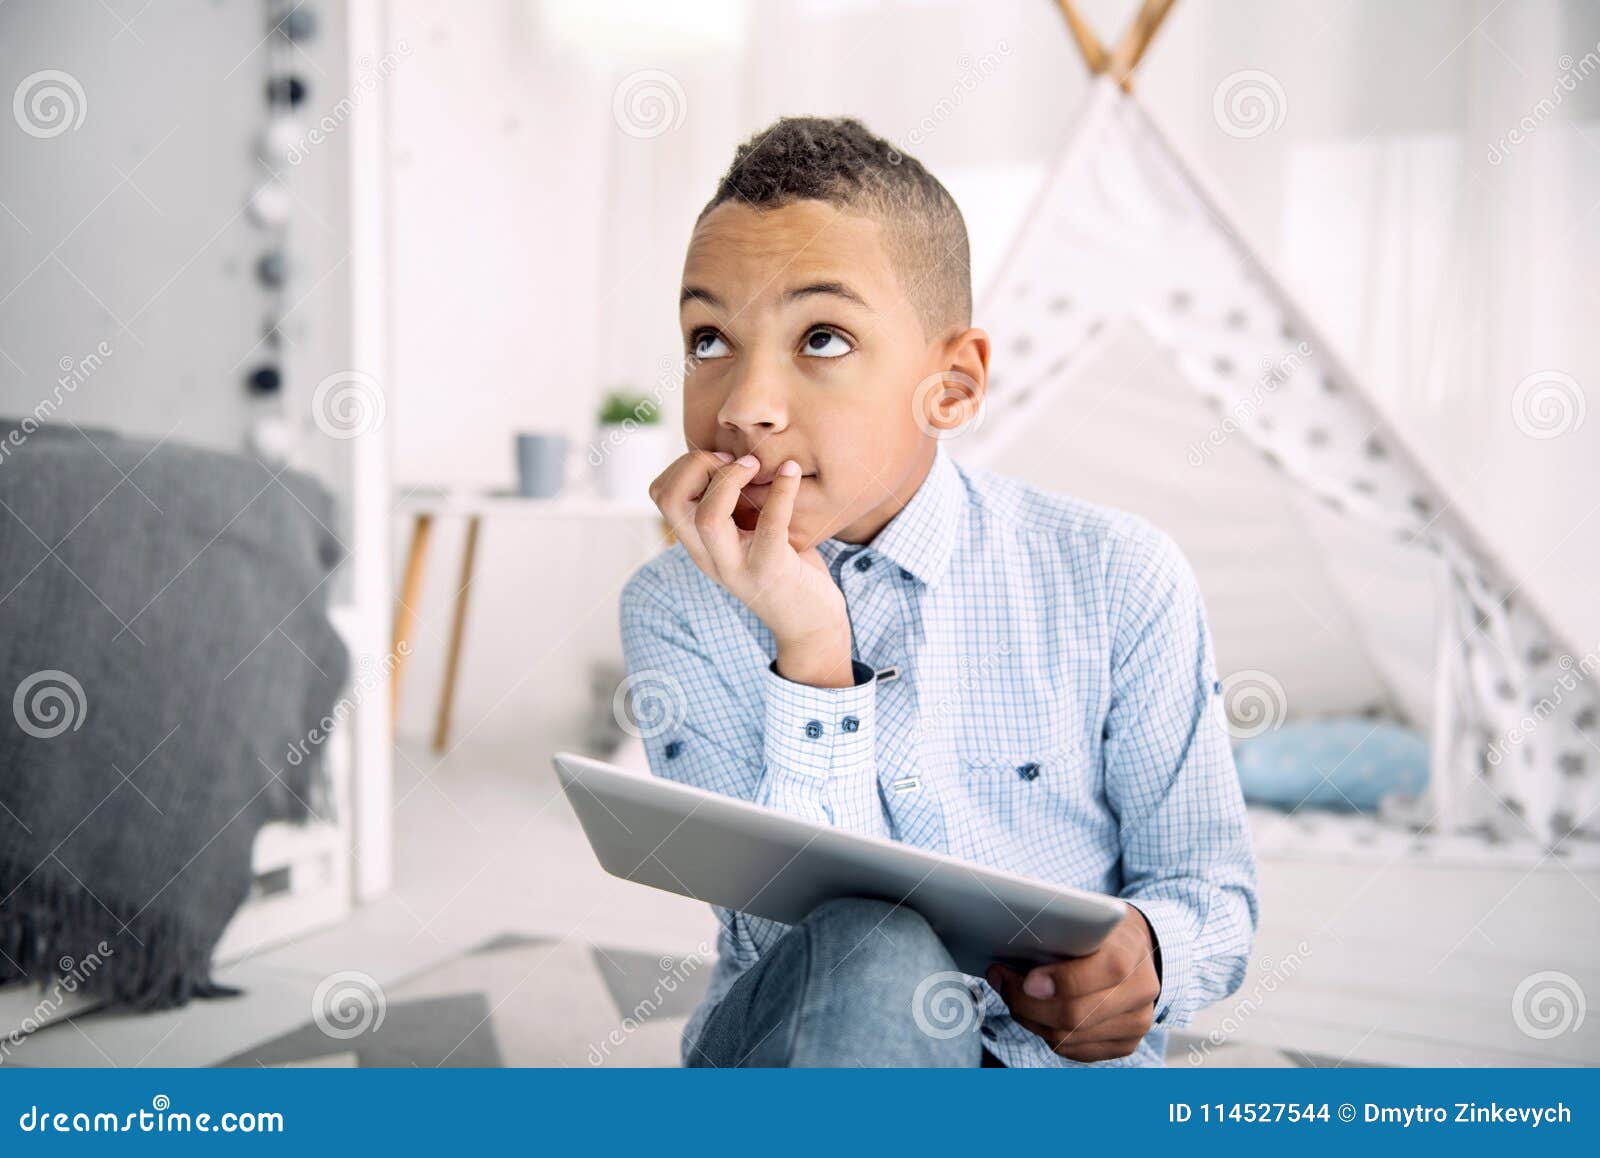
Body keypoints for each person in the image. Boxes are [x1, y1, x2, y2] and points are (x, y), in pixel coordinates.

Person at [619, 115, 1257, 1067]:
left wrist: (1148, 957)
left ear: (951, 388)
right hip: (800, 1052)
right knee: (873, 951)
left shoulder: (1122, 576)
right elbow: (783, 942)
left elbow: (1211, 888)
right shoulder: (677, 606)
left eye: (823, 336)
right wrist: (813, 653)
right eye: (708, 337)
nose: (746, 401)